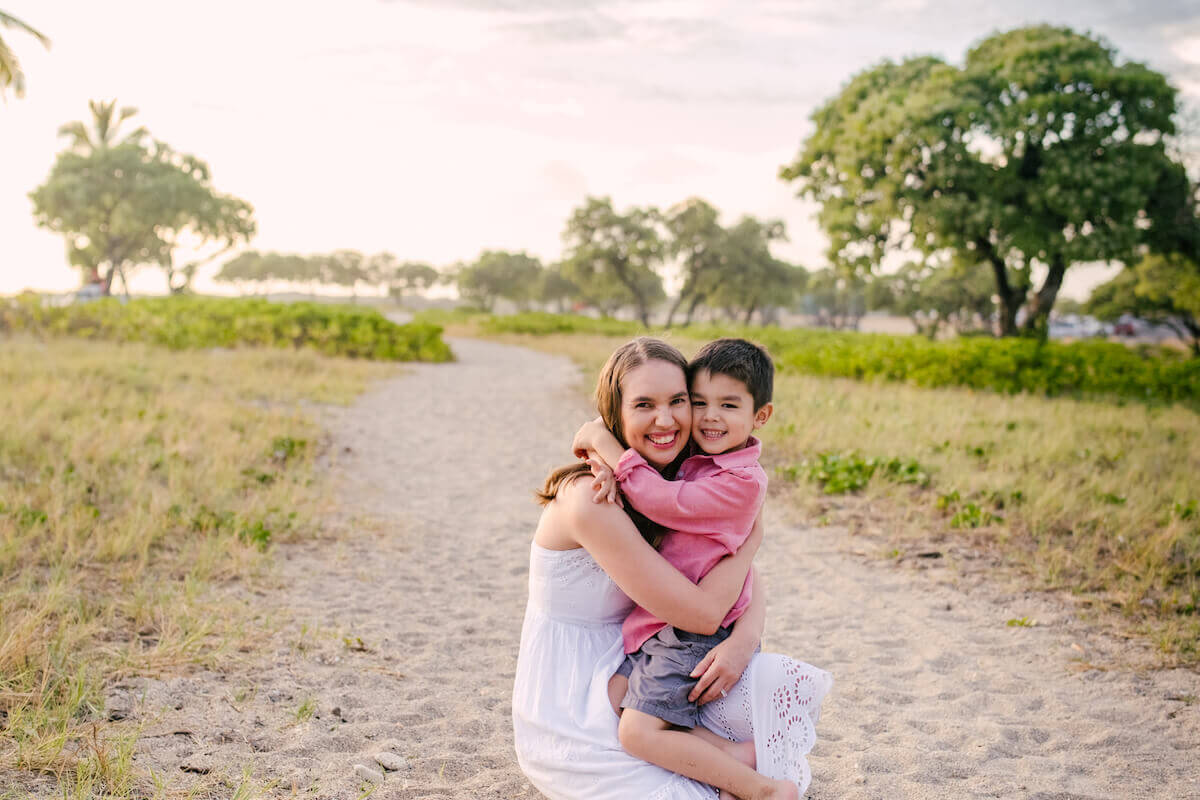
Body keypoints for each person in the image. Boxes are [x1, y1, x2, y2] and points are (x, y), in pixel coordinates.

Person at [512, 337, 830, 800]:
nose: (667, 419)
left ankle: (740, 761)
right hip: (575, 691)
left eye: (678, 401)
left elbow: (730, 573)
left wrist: (743, 640)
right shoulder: (591, 497)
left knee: (750, 700)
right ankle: (750, 778)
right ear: (615, 412)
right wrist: (751, 542)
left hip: (644, 647)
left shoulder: (674, 472)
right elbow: (702, 613)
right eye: (644, 404)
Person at [571, 338, 791, 800]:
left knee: (637, 733)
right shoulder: (698, 460)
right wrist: (600, 456)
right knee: (613, 701)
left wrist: (603, 443)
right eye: (699, 402)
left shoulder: (740, 481)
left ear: (760, 416)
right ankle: (739, 759)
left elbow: (661, 501)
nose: (709, 417)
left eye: (728, 405)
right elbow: (632, 470)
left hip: (690, 635)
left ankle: (760, 789)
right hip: (659, 628)